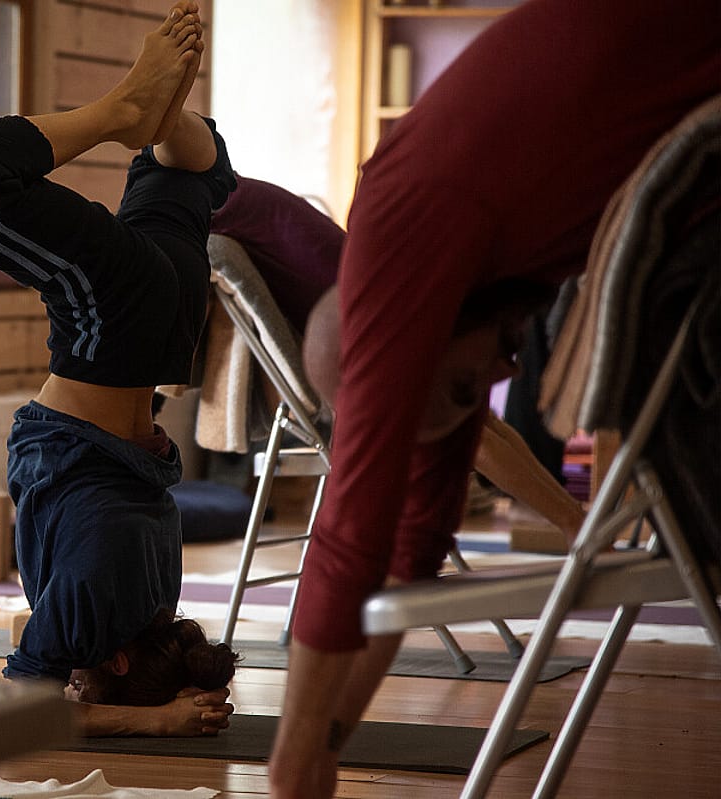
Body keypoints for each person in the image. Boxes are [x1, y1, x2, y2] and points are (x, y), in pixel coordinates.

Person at [264, 2, 721, 796]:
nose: (505, 362)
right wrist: (331, 741)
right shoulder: (470, 264)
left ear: (400, 346)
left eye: (464, 388)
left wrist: (290, 765)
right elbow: (411, 551)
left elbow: (350, 533)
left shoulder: (401, 226)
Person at [0, 2, 239, 737]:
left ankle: (158, 121)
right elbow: (17, 708)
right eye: (84, 684)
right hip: (111, 332)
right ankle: (127, 110)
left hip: (166, 336)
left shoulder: (156, 602)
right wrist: (146, 723)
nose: (74, 684)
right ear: (117, 667)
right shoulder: (94, 603)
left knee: (199, 172)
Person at [212, 175, 586, 540]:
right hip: (384, 302)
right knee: (476, 422)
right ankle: (575, 520)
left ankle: (575, 522)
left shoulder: (203, 203)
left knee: (468, 429)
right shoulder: (232, 192)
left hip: (367, 329)